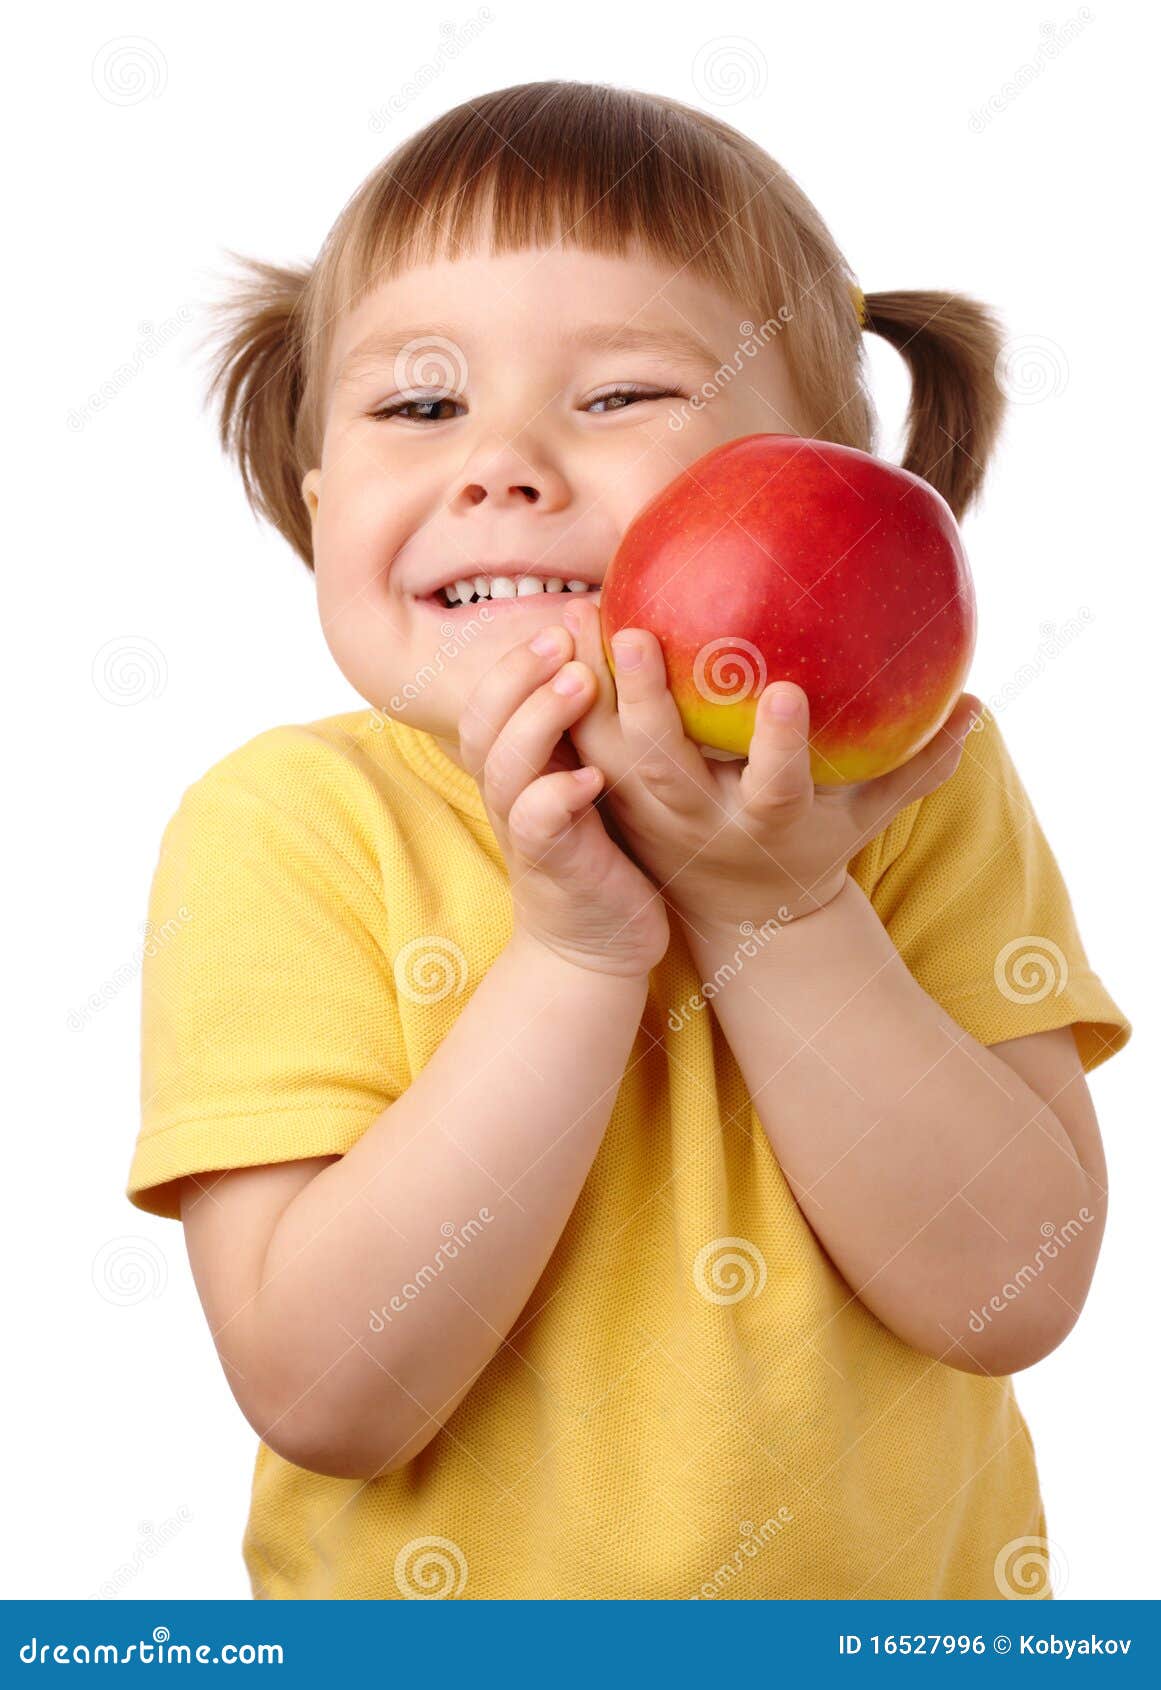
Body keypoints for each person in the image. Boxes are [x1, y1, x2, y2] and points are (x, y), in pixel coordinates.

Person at [125, 80, 1131, 1600]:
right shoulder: (287, 825)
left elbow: (1010, 1294)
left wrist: (783, 910)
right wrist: (576, 953)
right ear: (320, 502)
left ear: (817, 487)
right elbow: (325, 1394)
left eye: (617, 397)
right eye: (418, 406)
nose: (500, 462)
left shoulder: (911, 791)